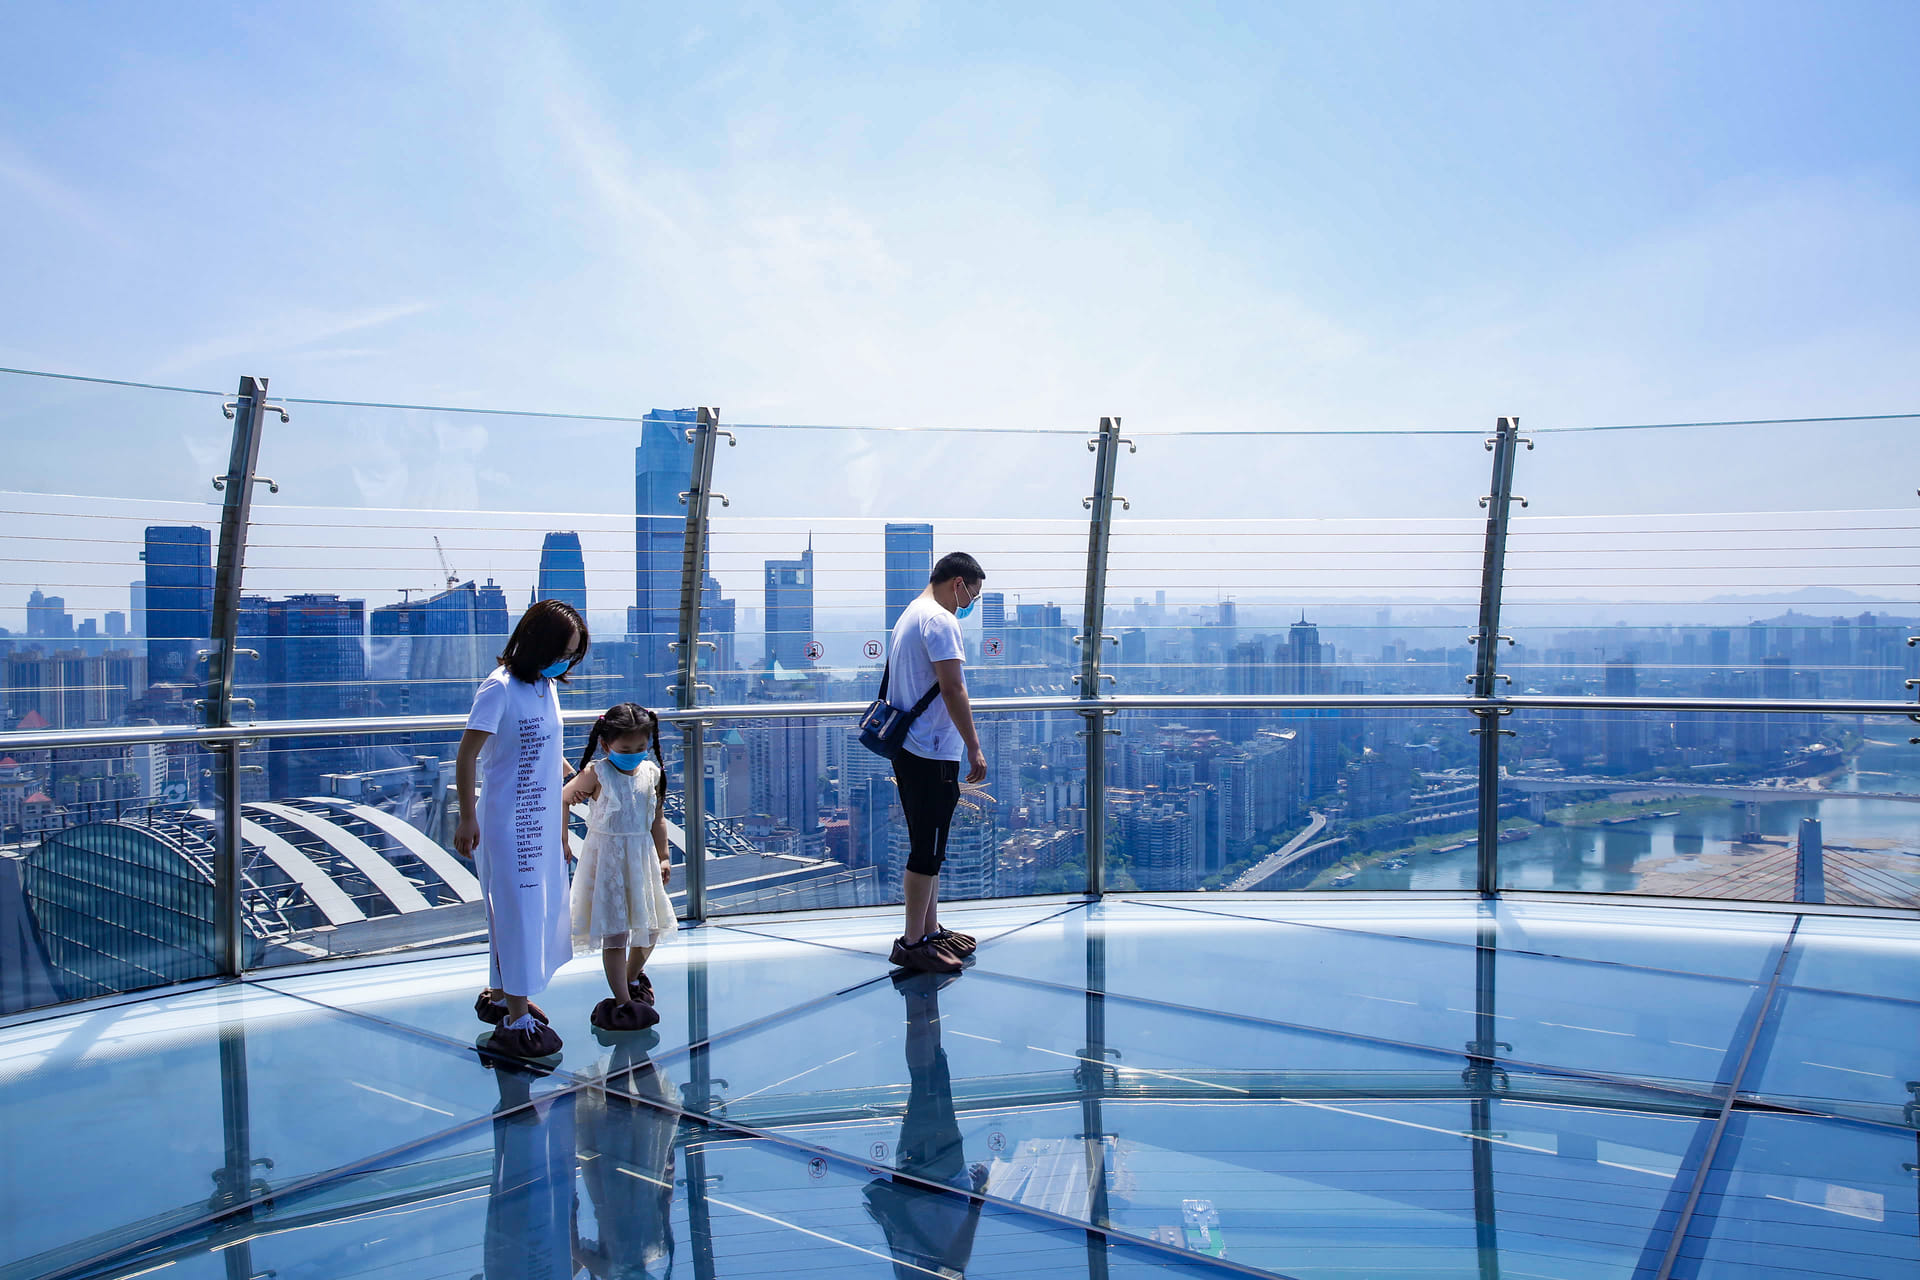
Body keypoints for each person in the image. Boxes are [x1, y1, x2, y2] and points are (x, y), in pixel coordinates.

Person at [455, 599, 587, 1059]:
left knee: (538, 909)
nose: (567, 661)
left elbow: (541, 742)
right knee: (513, 913)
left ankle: (502, 994)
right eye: (563, 650)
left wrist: (565, 773)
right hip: (506, 822)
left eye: (573, 653)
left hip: (541, 819)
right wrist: (467, 816)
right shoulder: (499, 688)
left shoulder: (544, 686)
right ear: (538, 643)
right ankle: (516, 1014)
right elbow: (469, 755)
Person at [886, 551, 989, 975]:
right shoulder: (940, 620)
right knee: (925, 851)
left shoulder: (912, 612)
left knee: (932, 846)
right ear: (957, 582)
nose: (969, 605)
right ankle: (912, 943)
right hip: (930, 751)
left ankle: (929, 931)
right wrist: (974, 746)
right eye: (971, 595)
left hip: (914, 748)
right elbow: (952, 688)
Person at [563, 702, 675, 1033]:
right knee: (615, 934)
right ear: (606, 744)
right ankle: (623, 1001)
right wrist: (563, 840)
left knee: (651, 927)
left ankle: (629, 978)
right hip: (608, 858)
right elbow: (564, 797)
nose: (635, 754)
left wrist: (664, 854)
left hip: (641, 858)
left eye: (641, 748)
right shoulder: (598, 773)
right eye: (626, 749)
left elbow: (657, 818)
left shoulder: (652, 773)